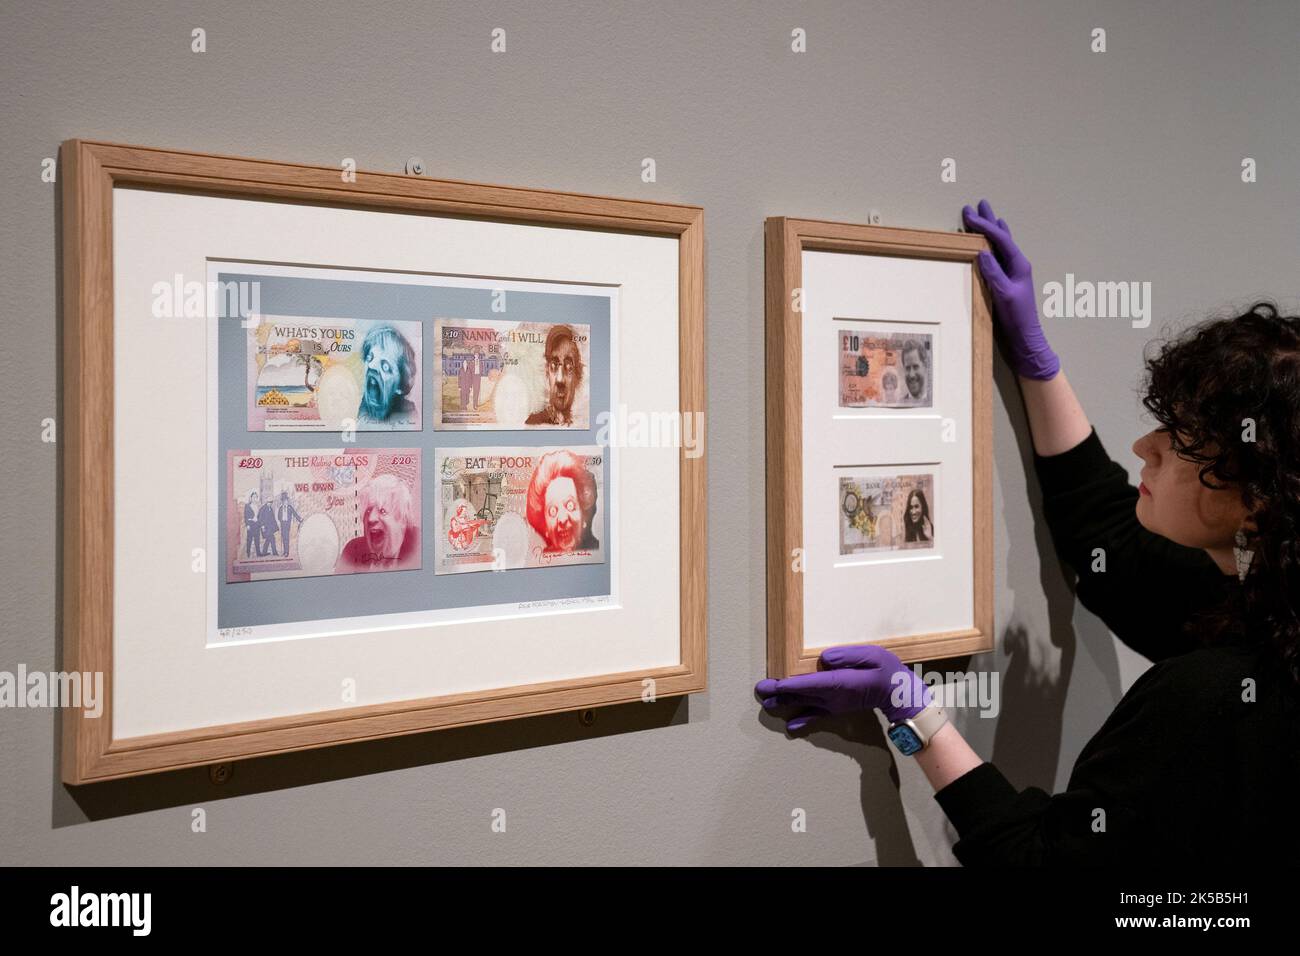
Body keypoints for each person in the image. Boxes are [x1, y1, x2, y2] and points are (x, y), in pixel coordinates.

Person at [756, 199, 1300, 865]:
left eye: (1183, 440)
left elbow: (1038, 865)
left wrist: (911, 713)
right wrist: (1035, 360)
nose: (1144, 446)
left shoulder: (1216, 695)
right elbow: (1110, 544)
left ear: (1259, 499)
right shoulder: (1262, 605)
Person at [525, 324, 584, 426]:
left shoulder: (581, 424)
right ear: (547, 373)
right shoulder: (534, 423)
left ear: (578, 376)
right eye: (554, 366)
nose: (560, 379)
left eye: (569, 367)